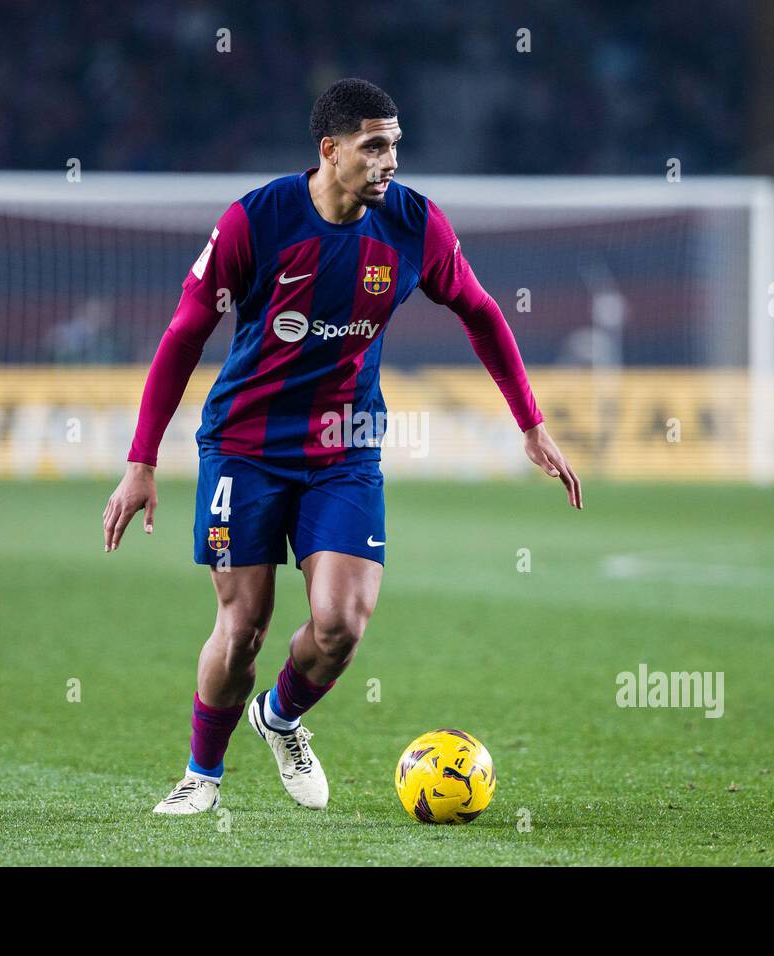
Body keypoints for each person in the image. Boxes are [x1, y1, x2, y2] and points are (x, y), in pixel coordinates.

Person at [102, 78, 581, 815]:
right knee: (244, 627)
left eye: (396, 144)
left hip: (344, 445)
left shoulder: (416, 226)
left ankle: (281, 718)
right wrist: (141, 462)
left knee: (340, 625)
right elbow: (183, 335)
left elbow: (482, 315)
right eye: (374, 145)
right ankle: (203, 773)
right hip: (244, 447)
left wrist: (531, 422)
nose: (391, 160)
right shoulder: (255, 222)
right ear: (330, 151)